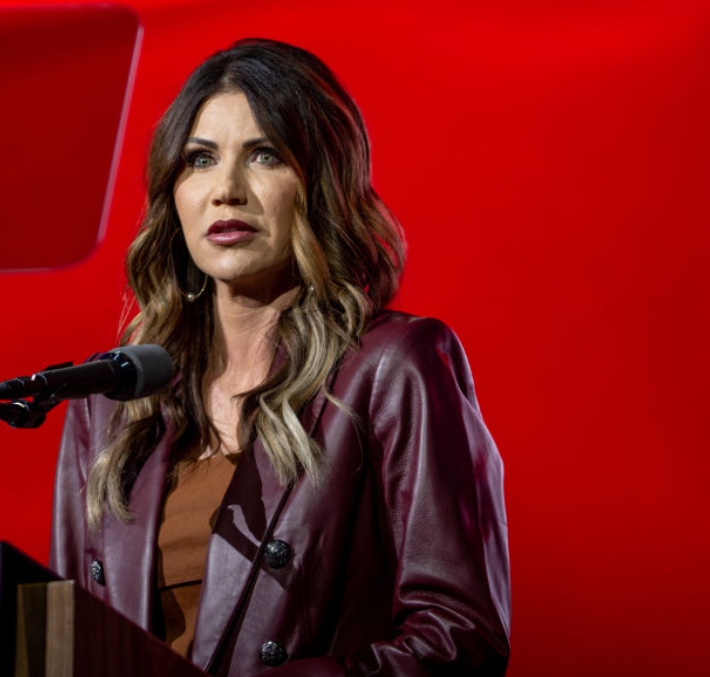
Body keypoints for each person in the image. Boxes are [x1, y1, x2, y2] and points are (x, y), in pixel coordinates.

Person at [50, 38, 510, 676]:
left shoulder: (393, 366)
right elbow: (63, 646)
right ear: (172, 193)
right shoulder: (110, 403)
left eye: (264, 155)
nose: (227, 190)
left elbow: (459, 636)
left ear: (318, 182)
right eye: (200, 160)